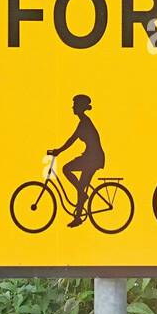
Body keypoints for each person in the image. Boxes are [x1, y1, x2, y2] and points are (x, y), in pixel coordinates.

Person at [47, 94, 105, 227]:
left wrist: (58, 151)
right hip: (91, 157)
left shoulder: (84, 123)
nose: (72, 107)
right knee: (81, 187)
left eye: (75, 104)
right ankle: (78, 216)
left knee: (66, 169)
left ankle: (82, 194)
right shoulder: (83, 122)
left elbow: (71, 140)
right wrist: (58, 150)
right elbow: (72, 140)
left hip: (93, 158)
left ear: (80, 107)